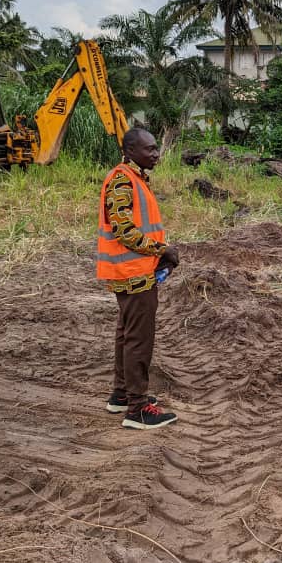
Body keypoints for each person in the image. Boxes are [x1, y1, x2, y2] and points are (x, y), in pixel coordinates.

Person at [97, 127, 180, 429]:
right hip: (133, 274)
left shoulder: (135, 178)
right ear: (130, 152)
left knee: (127, 335)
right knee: (138, 340)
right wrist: (162, 250)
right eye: (149, 149)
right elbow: (124, 230)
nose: (156, 154)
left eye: (157, 148)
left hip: (137, 271)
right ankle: (137, 409)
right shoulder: (122, 180)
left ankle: (121, 395)